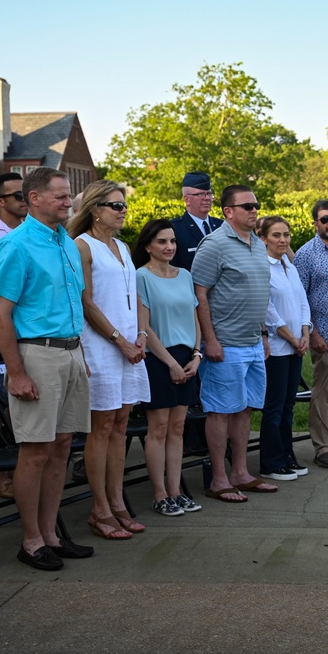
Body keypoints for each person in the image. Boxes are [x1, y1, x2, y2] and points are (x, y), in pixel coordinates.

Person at [0, 166, 94, 569]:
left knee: (62, 446)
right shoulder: (15, 246)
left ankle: (51, 534)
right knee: (34, 451)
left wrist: (79, 356)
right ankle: (30, 541)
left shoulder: (65, 240)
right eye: (61, 196)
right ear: (34, 198)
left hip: (70, 352)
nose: (69, 202)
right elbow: (0, 314)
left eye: (69, 195)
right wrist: (16, 372)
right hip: (36, 354)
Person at [69, 180, 151, 539]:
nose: (123, 211)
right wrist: (119, 340)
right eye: (115, 206)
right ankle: (99, 509)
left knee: (120, 425)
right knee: (101, 428)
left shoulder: (121, 246)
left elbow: (133, 298)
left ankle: (118, 503)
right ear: (95, 209)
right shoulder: (81, 246)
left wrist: (140, 337)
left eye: (123, 205)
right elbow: (86, 303)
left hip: (130, 347)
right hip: (102, 346)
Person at [192, 184, 274, 502]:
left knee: (245, 409)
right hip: (225, 345)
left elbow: (259, 294)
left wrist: (264, 334)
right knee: (220, 411)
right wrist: (209, 340)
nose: (254, 210)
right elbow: (199, 294)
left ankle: (240, 472)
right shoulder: (213, 245)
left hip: (253, 343)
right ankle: (219, 479)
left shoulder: (257, 244)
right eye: (247, 206)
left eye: (256, 205)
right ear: (228, 211)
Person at [133, 219, 203, 517]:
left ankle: (176, 492)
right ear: (148, 245)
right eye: (162, 242)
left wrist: (197, 355)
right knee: (158, 430)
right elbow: (144, 325)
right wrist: (171, 363)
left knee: (178, 428)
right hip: (159, 360)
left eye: (172, 241)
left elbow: (195, 317)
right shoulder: (140, 277)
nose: (169, 247)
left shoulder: (185, 275)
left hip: (187, 358)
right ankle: (160, 494)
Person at [292, 199, 328, 469]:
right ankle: (323, 446)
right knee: (323, 391)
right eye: (324, 219)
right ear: (315, 223)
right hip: (323, 333)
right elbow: (299, 298)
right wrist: (312, 333)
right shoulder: (306, 254)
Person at [257, 215, 311, 481]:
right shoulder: (263, 267)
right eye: (276, 235)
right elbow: (268, 310)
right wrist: (291, 338)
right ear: (264, 238)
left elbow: (302, 302)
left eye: (286, 235)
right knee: (274, 406)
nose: (282, 240)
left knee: (289, 405)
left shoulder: (290, 266)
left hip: (296, 346)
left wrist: (305, 332)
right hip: (277, 348)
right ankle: (271, 461)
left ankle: (287, 455)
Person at [0, 172, 28, 497]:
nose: (24, 200)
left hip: (30, 326)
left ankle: (25, 471)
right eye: (17, 196)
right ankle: (1, 477)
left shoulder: (36, 231)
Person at [171, 171, 224, 271]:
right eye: (200, 194)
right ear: (187, 199)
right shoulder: (175, 229)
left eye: (209, 193)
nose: (207, 198)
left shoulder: (221, 226)